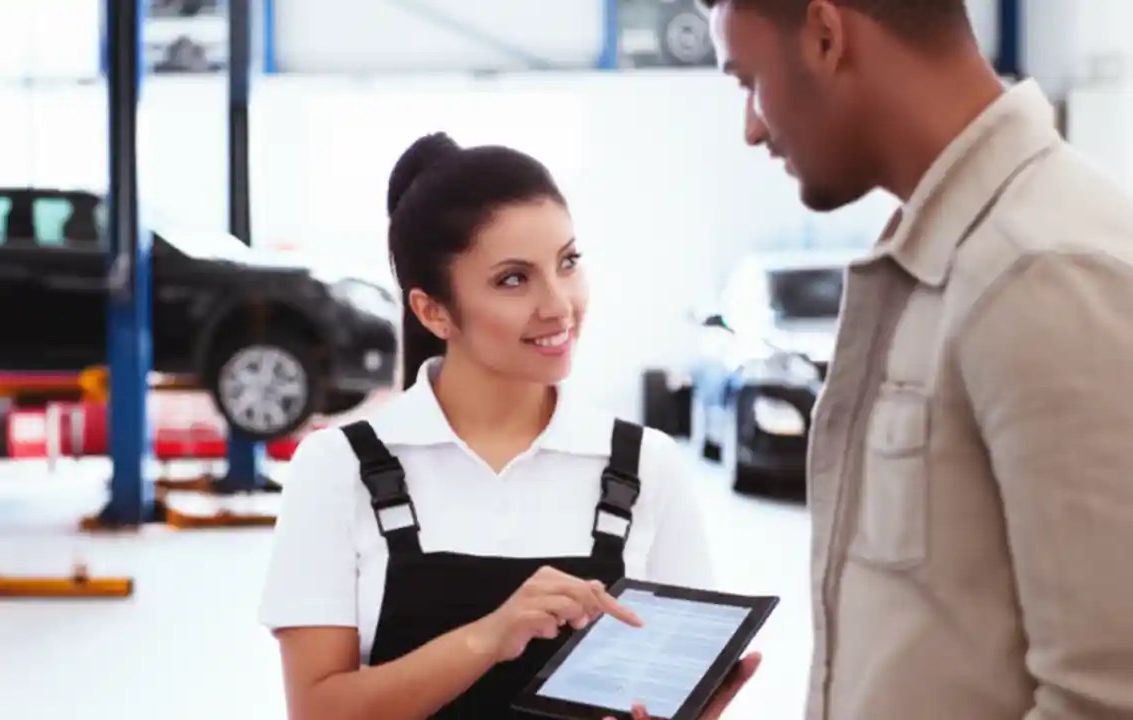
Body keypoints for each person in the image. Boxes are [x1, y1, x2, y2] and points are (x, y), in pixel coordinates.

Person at [705, 1, 1133, 719]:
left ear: (824, 35)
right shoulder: (947, 257)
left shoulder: (1041, 266)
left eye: (749, 81)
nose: (751, 126)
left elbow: (1108, 696)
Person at [258, 133, 758, 719]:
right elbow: (317, 711)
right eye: (514, 279)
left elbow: (671, 695)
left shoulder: (647, 465)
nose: (559, 305)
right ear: (432, 311)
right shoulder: (337, 469)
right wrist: (488, 638)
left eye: (567, 263)